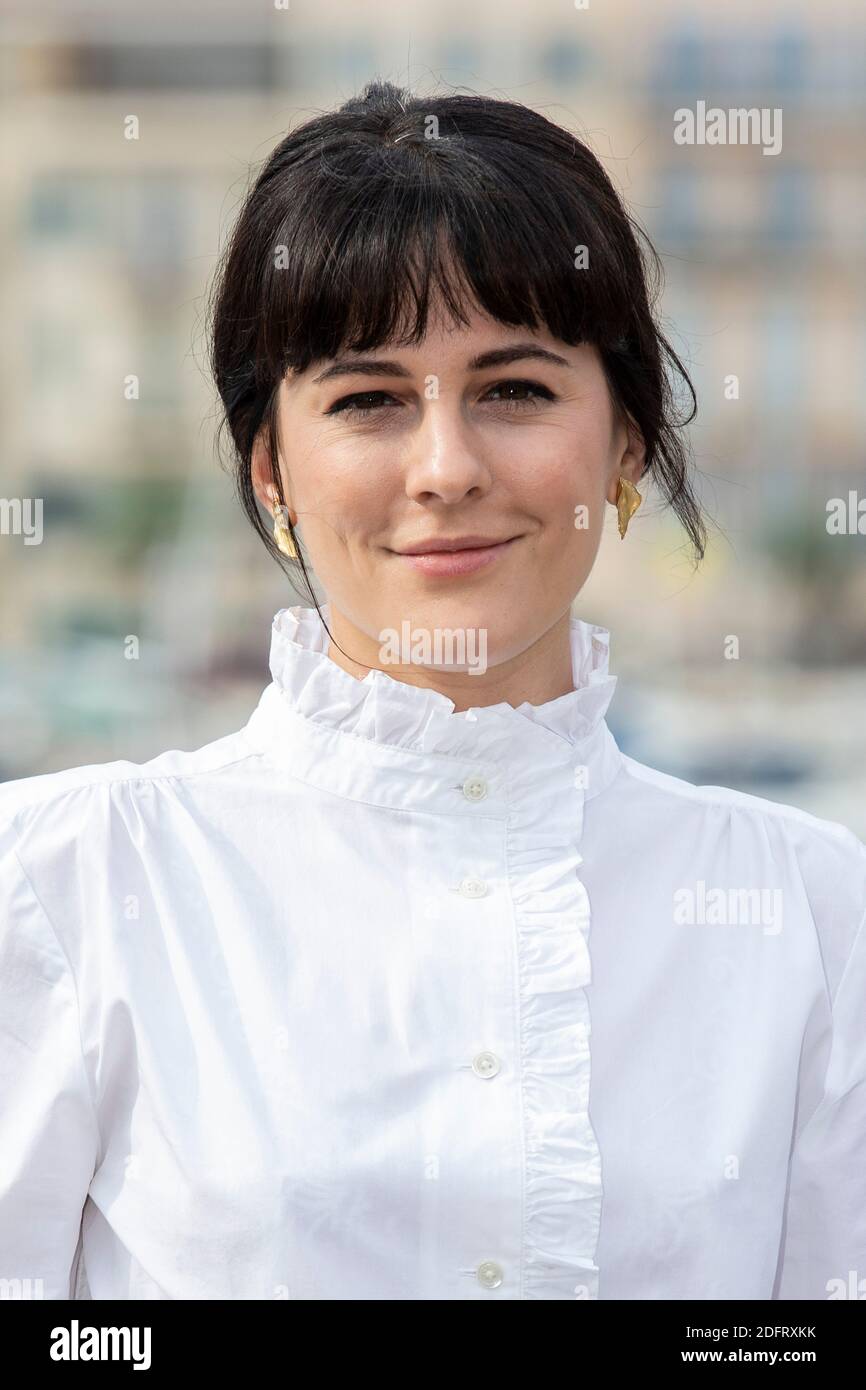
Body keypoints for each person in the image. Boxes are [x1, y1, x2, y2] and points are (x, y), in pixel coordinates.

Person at [1, 79, 864, 1302]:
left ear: (624, 439)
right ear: (271, 469)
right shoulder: (61, 887)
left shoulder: (813, 915)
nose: (447, 467)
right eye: (366, 400)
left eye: (514, 388)